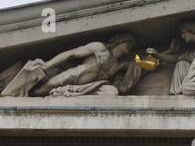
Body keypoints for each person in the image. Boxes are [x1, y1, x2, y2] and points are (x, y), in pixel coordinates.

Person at [1, 34, 138, 97]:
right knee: (37, 92)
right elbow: (71, 54)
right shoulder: (99, 48)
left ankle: (60, 94)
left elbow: (137, 67)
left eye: (131, 46)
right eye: (128, 43)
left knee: (112, 92)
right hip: (71, 77)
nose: (129, 47)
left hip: (85, 88)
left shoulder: (118, 65)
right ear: (119, 41)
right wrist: (48, 64)